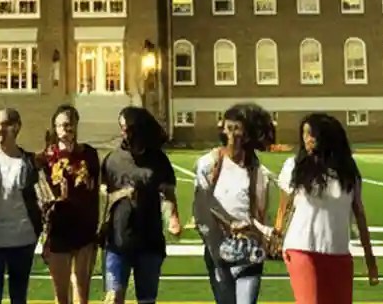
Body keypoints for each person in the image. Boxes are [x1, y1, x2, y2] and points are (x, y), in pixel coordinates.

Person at [273, 113, 379, 304]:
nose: (307, 139)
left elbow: (359, 213)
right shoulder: (294, 166)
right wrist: (277, 236)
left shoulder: (348, 170)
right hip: (302, 249)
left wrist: (369, 256)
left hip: (338, 251)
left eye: (311, 134)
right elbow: (284, 207)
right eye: (304, 134)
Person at [193, 103, 276, 304]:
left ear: (248, 135)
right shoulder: (208, 164)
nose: (232, 135)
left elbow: (260, 214)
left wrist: (264, 233)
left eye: (237, 129)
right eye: (228, 128)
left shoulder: (259, 172)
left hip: (249, 250)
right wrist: (215, 245)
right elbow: (201, 209)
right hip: (218, 248)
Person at [100, 106, 182, 304]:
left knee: (146, 300)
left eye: (126, 129)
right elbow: (103, 196)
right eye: (121, 128)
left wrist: (173, 218)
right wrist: (122, 194)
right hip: (117, 240)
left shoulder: (158, 160)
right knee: (113, 298)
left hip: (149, 239)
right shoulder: (112, 160)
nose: (123, 133)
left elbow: (168, 193)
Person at [0, 108, 42, 304]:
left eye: (5, 124)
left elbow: (42, 199)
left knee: (18, 299)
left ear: (17, 127)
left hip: (22, 241)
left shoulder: (28, 162)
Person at [37, 104, 100, 304]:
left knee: (82, 292)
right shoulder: (46, 158)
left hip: (84, 229)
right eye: (62, 125)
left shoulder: (88, 154)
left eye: (71, 124)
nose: (67, 129)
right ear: (55, 128)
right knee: (61, 296)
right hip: (58, 230)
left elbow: (95, 191)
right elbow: (40, 194)